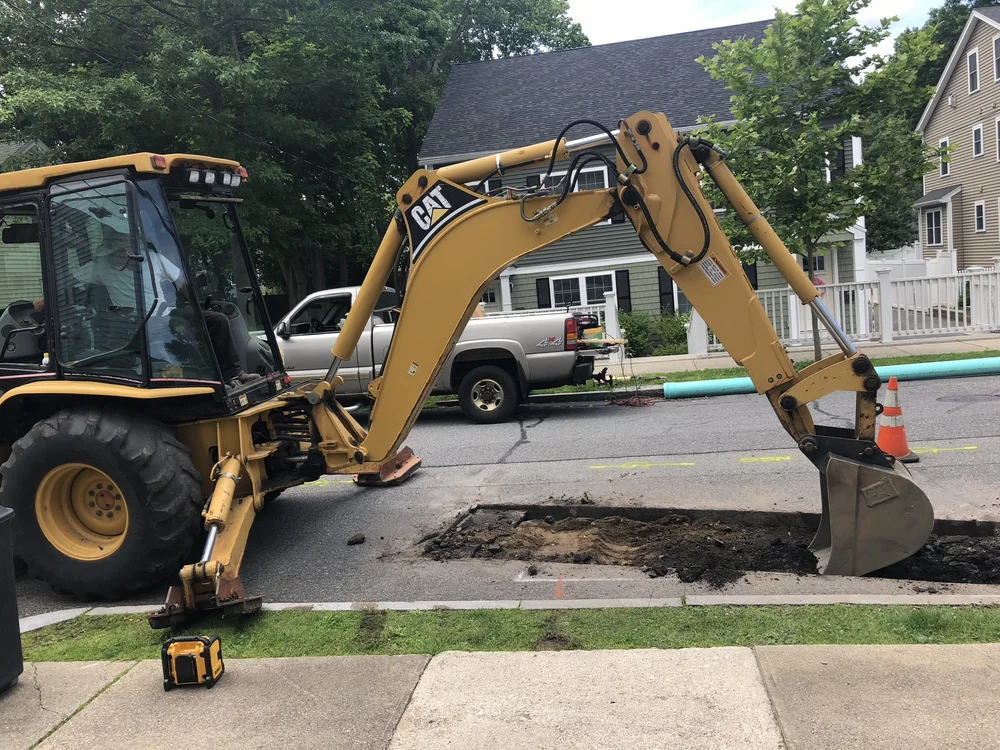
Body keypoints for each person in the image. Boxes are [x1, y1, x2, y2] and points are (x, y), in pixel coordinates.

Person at [35, 231, 259, 389]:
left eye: (122, 252)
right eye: (114, 253)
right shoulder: (100, 267)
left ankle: (233, 373)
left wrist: (194, 306)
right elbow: (62, 286)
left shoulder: (154, 260)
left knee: (217, 320)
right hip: (131, 322)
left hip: (167, 313)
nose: (118, 257)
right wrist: (40, 305)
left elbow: (181, 281)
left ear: (132, 250)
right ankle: (198, 376)